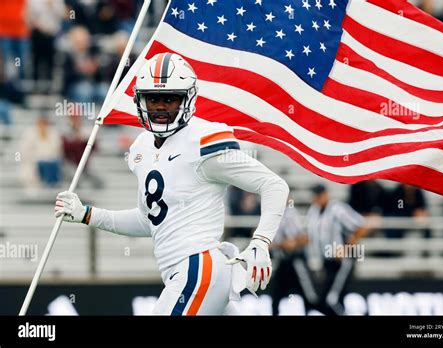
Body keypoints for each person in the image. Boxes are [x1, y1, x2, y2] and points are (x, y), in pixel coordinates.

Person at [55, 53, 290, 315]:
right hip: (190, 273)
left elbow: (273, 185)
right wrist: (88, 214)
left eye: (170, 98)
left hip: (199, 268)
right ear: (140, 100)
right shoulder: (141, 149)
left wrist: (260, 241)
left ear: (187, 99)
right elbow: (149, 220)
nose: (160, 107)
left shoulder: (202, 142)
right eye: (153, 98)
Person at [307, 184, 368, 316]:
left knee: (331, 299)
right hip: (326, 261)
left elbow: (361, 226)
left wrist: (346, 247)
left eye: (320, 194)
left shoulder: (337, 209)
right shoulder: (313, 211)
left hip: (342, 261)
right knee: (330, 299)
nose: (317, 198)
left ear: (326, 194)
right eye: (316, 195)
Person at [270, 202, 318, 315]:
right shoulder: (274, 213)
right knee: (275, 298)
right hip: (283, 262)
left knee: (310, 297)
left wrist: (286, 243)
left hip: (295, 262)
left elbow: (304, 238)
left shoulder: (291, 214)